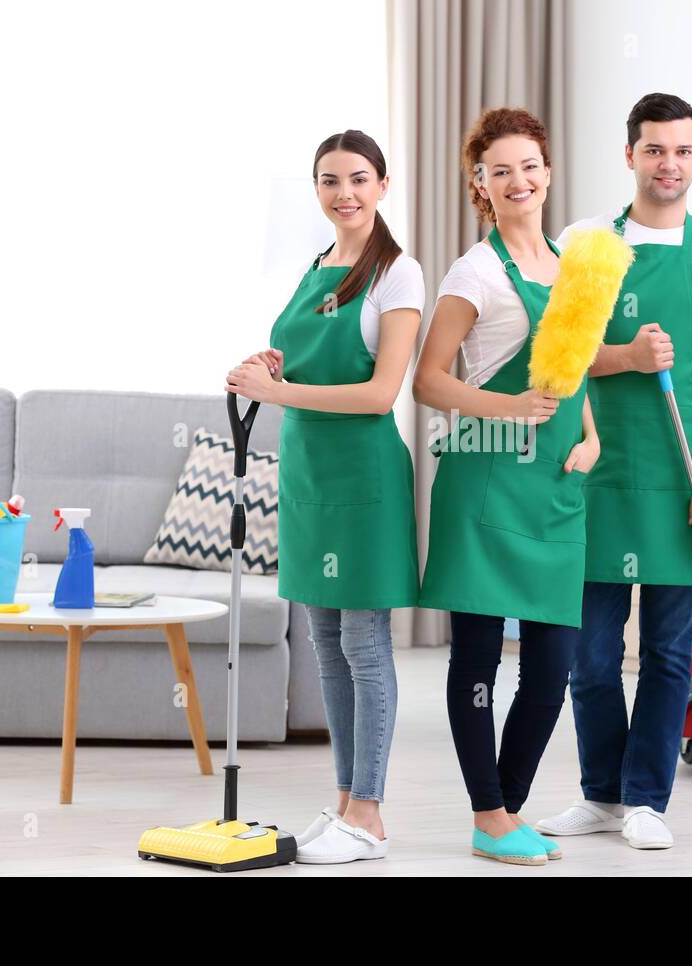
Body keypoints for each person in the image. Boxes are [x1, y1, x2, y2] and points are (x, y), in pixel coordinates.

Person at [536, 93, 692, 850]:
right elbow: (559, 361)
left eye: (683, 151)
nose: (669, 164)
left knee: (666, 653)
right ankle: (600, 795)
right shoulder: (585, 243)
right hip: (594, 471)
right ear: (629, 154)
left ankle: (645, 800)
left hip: (682, 477)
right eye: (655, 150)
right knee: (589, 655)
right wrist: (627, 357)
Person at [225, 130, 422, 864]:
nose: (345, 193)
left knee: (363, 644)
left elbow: (379, 393)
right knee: (323, 644)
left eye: (359, 179)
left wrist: (279, 391)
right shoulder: (317, 266)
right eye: (330, 181)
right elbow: (305, 362)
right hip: (307, 473)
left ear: (382, 184)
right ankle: (343, 802)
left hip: (364, 480)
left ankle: (369, 815)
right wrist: (273, 364)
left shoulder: (399, 276)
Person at [414, 107, 599, 866]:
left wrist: (591, 435)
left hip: (554, 487)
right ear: (480, 186)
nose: (517, 181)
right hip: (485, 482)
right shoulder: (475, 272)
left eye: (529, 166)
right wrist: (509, 407)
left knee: (554, 668)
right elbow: (428, 381)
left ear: (547, 172)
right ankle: (489, 817)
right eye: (500, 171)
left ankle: (505, 809)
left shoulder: (579, 267)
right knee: (479, 664)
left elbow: (577, 368)